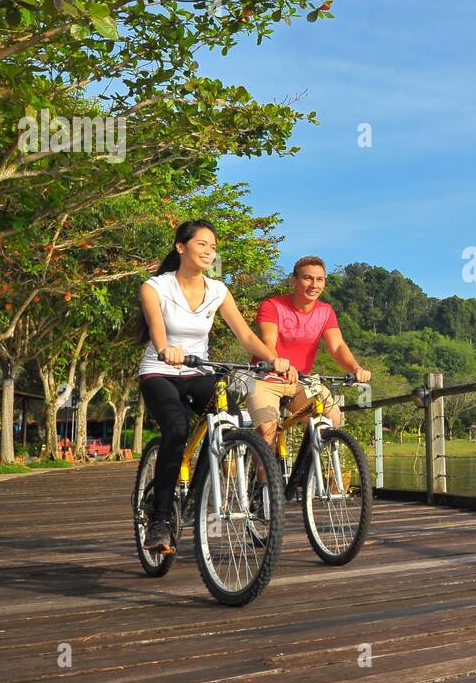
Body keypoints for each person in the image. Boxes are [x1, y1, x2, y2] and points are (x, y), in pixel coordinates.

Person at [137, 219, 290, 554]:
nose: (209, 251)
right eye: (201, 244)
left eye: (212, 246)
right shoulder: (155, 287)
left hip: (197, 373)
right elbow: (156, 327)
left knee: (228, 421)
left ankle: (202, 494)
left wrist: (276, 360)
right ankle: (159, 518)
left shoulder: (218, 290)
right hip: (160, 372)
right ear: (181, 247)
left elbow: (247, 336)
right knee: (176, 429)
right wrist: (166, 349)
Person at [244, 255, 371, 449]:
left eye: (320, 279)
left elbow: (337, 346)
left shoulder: (325, 311)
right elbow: (268, 340)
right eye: (307, 278)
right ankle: (263, 480)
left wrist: (356, 368)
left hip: (301, 381)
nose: (314, 285)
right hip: (265, 379)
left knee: (331, 416)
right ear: (293, 281)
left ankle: (310, 472)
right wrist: (278, 363)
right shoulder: (272, 306)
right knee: (268, 431)